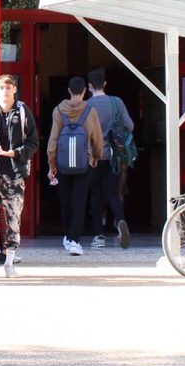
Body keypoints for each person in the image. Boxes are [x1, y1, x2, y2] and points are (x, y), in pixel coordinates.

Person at [0, 74, 38, 278]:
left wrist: (16, 153)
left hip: (14, 174)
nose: (5, 91)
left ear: (15, 90)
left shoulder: (23, 111)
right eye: (1, 88)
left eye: (9, 87)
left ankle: (9, 263)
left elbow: (33, 142)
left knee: (13, 219)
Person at [45, 76, 104, 256]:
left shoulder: (58, 111)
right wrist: (96, 156)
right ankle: (75, 241)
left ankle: (68, 236)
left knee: (65, 203)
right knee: (79, 202)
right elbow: (97, 138)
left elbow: (53, 140)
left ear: (69, 91)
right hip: (84, 163)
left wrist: (52, 163)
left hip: (62, 163)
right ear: (85, 91)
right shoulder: (90, 110)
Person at [86, 71, 134, 249]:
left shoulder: (87, 106)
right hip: (115, 156)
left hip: (94, 157)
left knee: (96, 195)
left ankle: (98, 236)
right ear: (105, 84)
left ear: (89, 86)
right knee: (113, 194)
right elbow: (130, 126)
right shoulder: (117, 102)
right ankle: (120, 220)